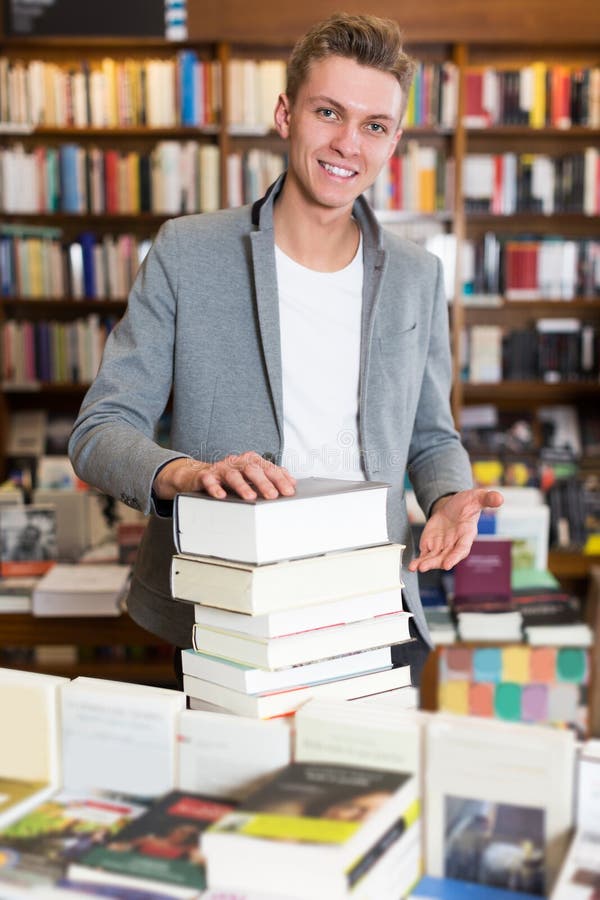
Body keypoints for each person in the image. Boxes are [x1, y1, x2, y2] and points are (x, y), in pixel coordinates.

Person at [69, 12, 502, 688]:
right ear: (285, 115)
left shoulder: (419, 276)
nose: (347, 143)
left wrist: (448, 496)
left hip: (372, 611)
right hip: (222, 621)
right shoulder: (188, 252)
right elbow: (99, 433)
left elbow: (430, 436)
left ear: (393, 142)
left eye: (375, 126)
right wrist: (187, 475)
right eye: (328, 111)